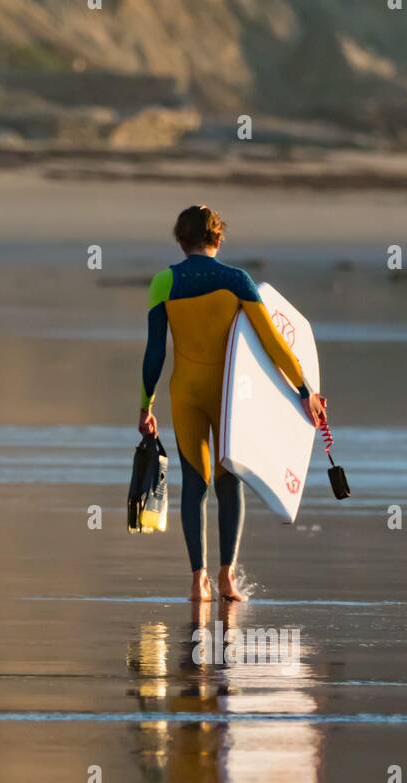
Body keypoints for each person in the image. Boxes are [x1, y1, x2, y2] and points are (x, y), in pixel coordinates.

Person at [138, 205, 326, 601]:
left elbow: (155, 352)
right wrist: (305, 391)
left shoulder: (163, 282)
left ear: (180, 240)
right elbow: (275, 343)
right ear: (218, 240)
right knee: (229, 480)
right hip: (230, 399)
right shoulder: (238, 280)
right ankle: (226, 579)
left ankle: (197, 580)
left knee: (194, 482)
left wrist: (146, 405)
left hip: (184, 394)